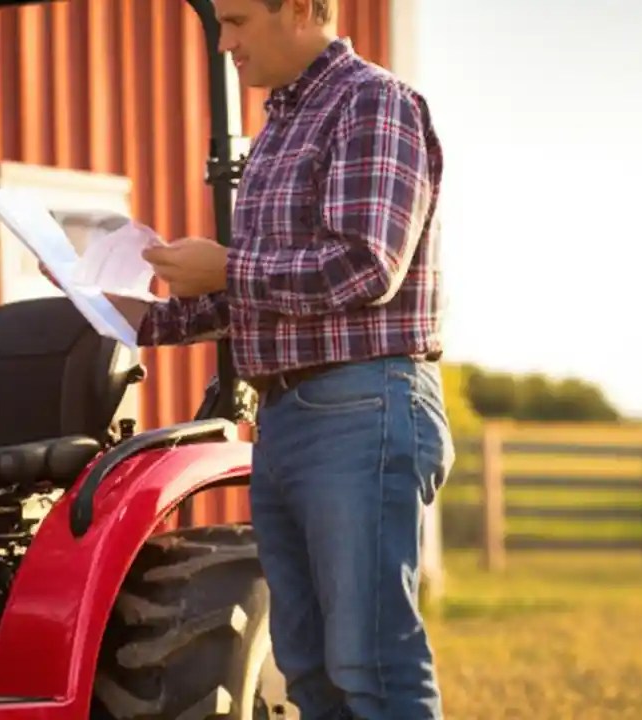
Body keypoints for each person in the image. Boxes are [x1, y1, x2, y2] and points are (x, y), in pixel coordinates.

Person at [95, 0, 452, 717]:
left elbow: (364, 267)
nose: (223, 42)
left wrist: (225, 267)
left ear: (296, 9)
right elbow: (263, 291)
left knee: (371, 665)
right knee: (310, 668)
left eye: (235, 22)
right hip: (289, 417)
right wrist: (124, 311)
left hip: (363, 406)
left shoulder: (373, 103)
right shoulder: (283, 124)